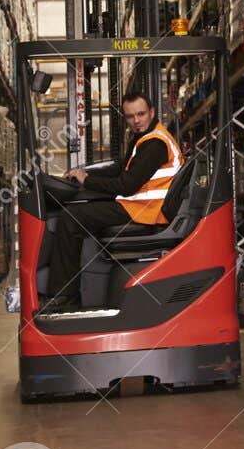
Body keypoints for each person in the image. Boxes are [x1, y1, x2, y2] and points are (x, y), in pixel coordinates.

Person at [39, 91, 182, 314]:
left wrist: (88, 181)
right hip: (139, 207)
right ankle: (71, 291)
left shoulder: (155, 143)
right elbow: (120, 169)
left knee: (70, 218)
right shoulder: (145, 137)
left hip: (147, 211)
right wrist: (85, 173)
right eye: (130, 116)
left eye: (141, 114)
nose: (136, 120)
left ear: (152, 112)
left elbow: (126, 185)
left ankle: (64, 297)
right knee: (78, 211)